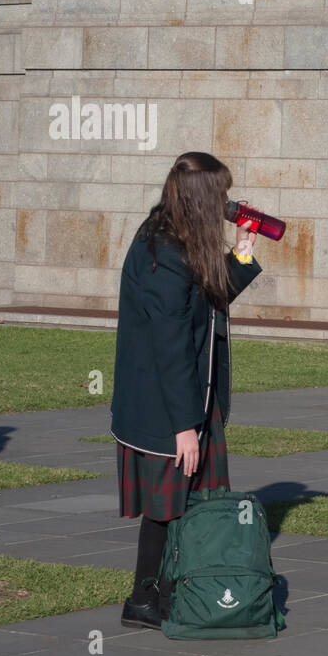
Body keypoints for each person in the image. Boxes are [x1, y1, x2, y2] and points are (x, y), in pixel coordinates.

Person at [111, 152, 263, 630]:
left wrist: (241, 251)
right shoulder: (162, 252)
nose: (226, 204)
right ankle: (143, 597)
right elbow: (171, 346)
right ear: (200, 199)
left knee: (187, 501)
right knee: (165, 505)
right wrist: (184, 428)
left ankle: (173, 589)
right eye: (219, 195)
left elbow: (212, 299)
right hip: (164, 406)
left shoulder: (183, 242)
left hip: (191, 399)